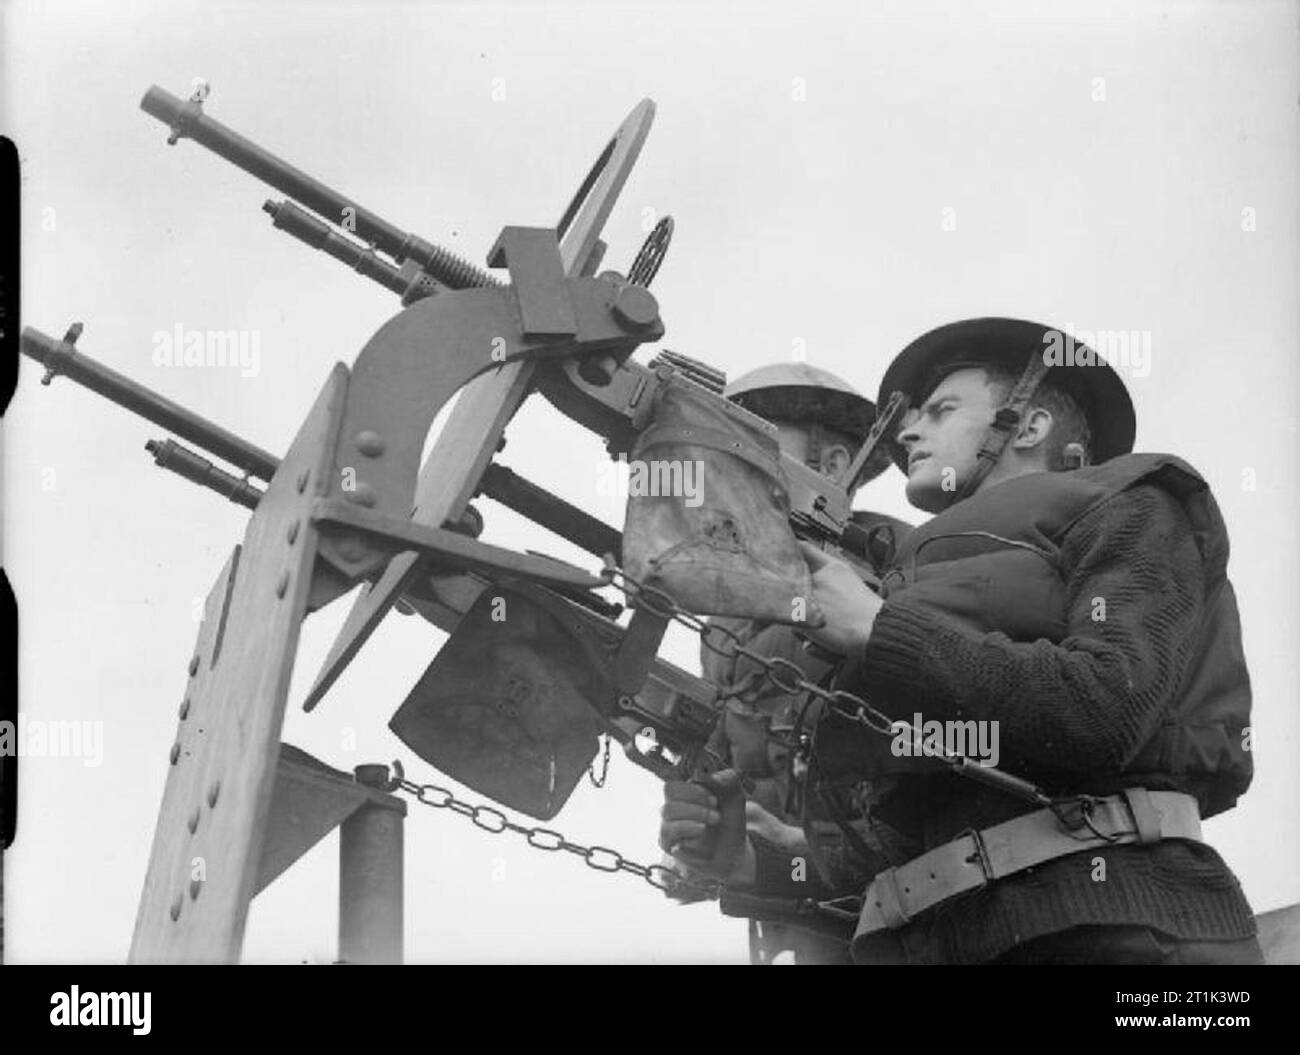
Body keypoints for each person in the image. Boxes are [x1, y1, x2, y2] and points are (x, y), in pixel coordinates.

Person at [663, 318, 1262, 965]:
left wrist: (878, 628)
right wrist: (754, 861)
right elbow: (911, 847)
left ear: (1027, 426)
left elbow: (1105, 706)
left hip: (1118, 928)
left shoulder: (1134, 505)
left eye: (941, 410)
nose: (909, 431)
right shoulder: (917, 581)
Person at [661, 362, 910, 964]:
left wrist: (805, 845)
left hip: (906, 914)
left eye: (756, 446)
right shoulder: (728, 612)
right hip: (785, 915)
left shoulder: (905, 567)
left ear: (828, 469)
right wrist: (698, 846)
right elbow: (720, 761)